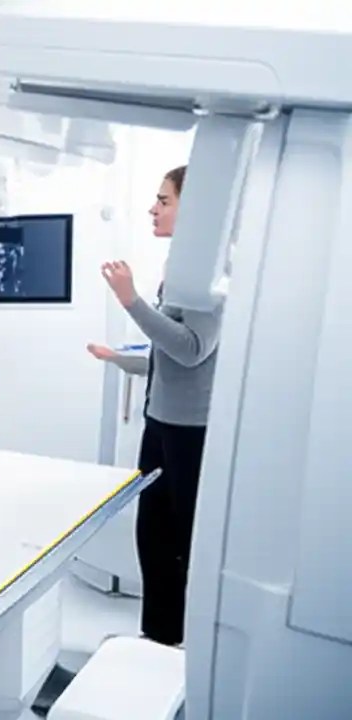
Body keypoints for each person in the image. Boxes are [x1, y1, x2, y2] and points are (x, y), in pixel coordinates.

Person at [88, 164, 222, 647]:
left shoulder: (209, 276)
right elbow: (169, 359)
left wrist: (131, 303)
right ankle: (160, 638)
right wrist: (120, 359)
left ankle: (191, 645)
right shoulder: (182, 269)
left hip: (192, 432)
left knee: (184, 542)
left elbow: (191, 349)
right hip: (161, 423)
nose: (153, 208)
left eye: (164, 200)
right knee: (155, 537)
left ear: (197, 210)